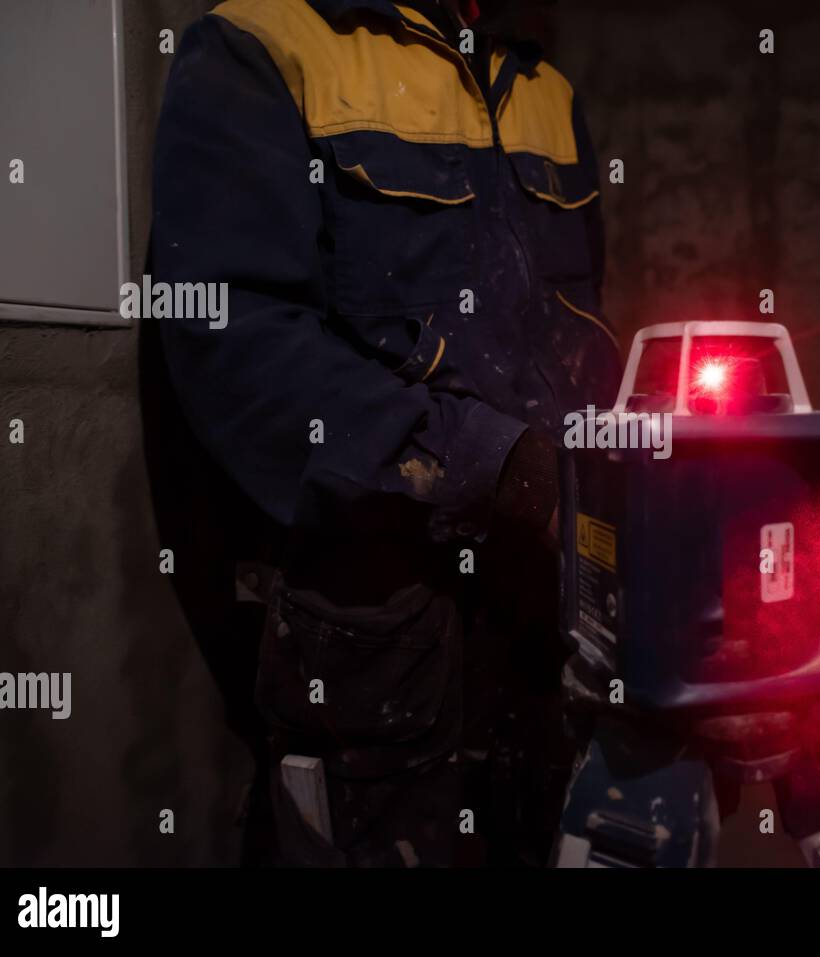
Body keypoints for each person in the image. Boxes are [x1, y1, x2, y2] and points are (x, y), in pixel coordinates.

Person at [151, 0, 621, 866]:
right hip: (384, 646)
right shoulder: (266, 43)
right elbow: (236, 345)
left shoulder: (542, 82)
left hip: (550, 628)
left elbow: (580, 333)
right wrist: (502, 468)